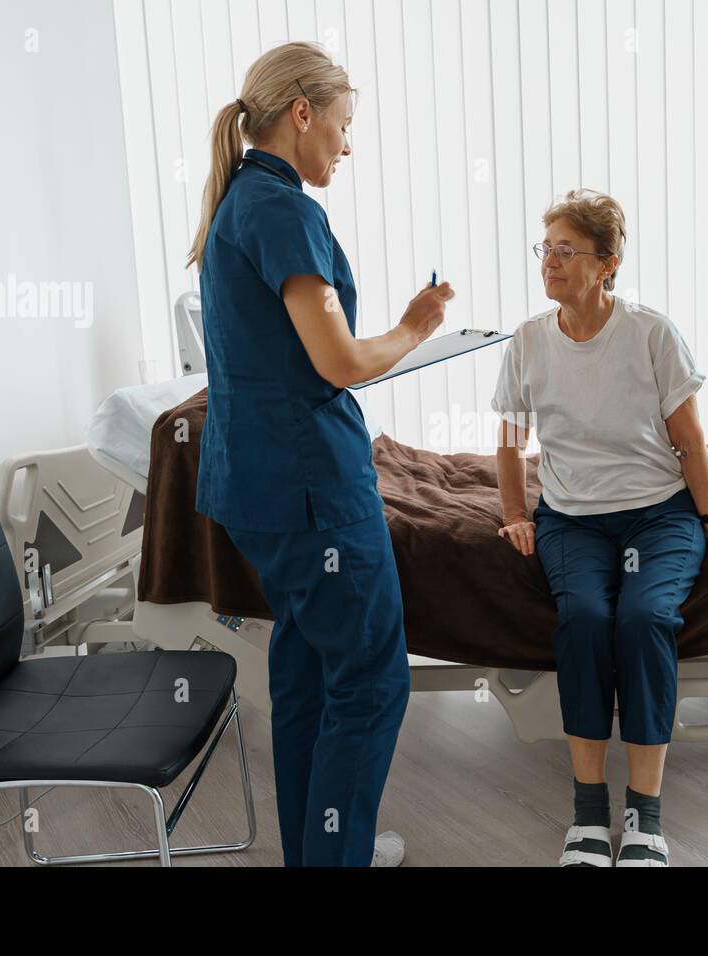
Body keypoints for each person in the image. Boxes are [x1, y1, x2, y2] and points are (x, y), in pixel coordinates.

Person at [186, 41, 454, 867]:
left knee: (306, 677)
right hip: (312, 496)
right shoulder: (283, 210)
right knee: (372, 681)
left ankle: (323, 848)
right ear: (302, 114)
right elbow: (336, 362)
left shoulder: (241, 204)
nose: (346, 144)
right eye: (342, 126)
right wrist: (416, 327)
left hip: (260, 493)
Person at [492, 190, 708, 867]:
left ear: (607, 264)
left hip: (658, 514)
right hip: (572, 520)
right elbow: (510, 443)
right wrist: (513, 514)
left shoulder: (651, 334)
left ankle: (646, 818)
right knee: (588, 619)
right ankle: (589, 817)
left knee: (646, 619)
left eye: (567, 251)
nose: (551, 263)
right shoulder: (529, 342)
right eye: (546, 250)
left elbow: (690, 440)